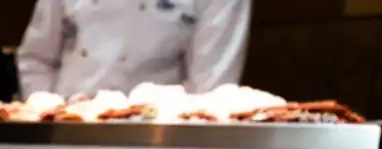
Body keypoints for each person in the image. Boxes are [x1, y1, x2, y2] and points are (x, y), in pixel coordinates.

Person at [16, 0, 251, 98]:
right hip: (65, 131)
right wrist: (47, 117)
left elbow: (211, 93)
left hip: (155, 142)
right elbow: (36, 59)